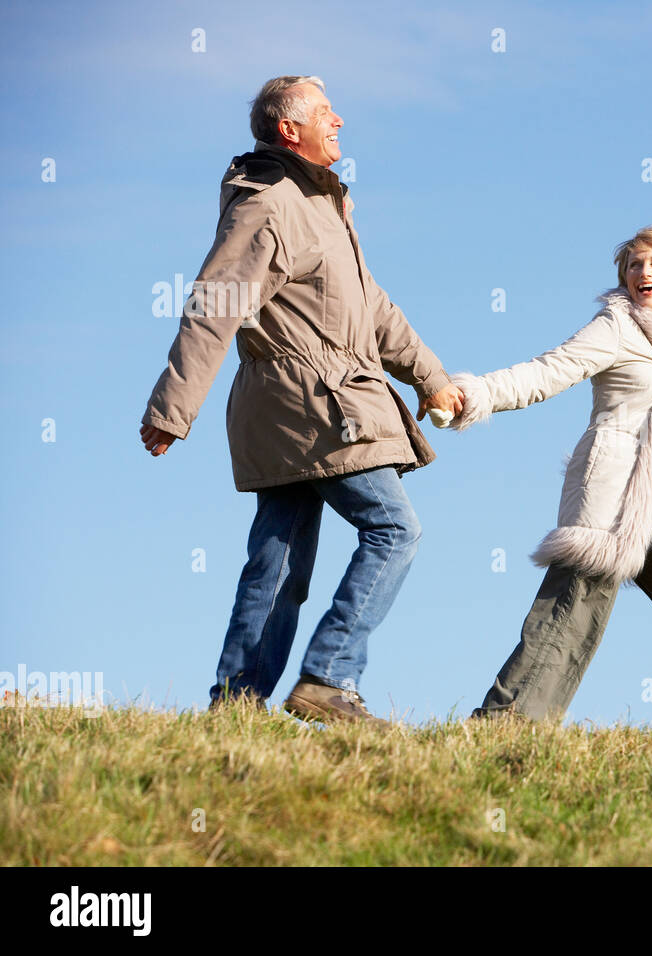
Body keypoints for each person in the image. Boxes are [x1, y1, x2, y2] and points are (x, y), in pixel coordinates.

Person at [139, 75, 463, 724]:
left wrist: (429, 375)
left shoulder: (322, 203)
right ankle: (329, 676)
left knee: (278, 558)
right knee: (394, 529)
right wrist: (174, 407)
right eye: (324, 111)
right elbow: (216, 304)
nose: (339, 119)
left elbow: (371, 307)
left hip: (306, 404)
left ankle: (237, 703)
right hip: (314, 404)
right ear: (290, 129)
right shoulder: (269, 203)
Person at [447, 226, 652, 729]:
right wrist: (473, 394)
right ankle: (508, 720)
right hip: (610, 484)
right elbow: (547, 371)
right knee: (574, 603)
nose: (642, 273)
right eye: (632, 265)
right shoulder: (616, 326)